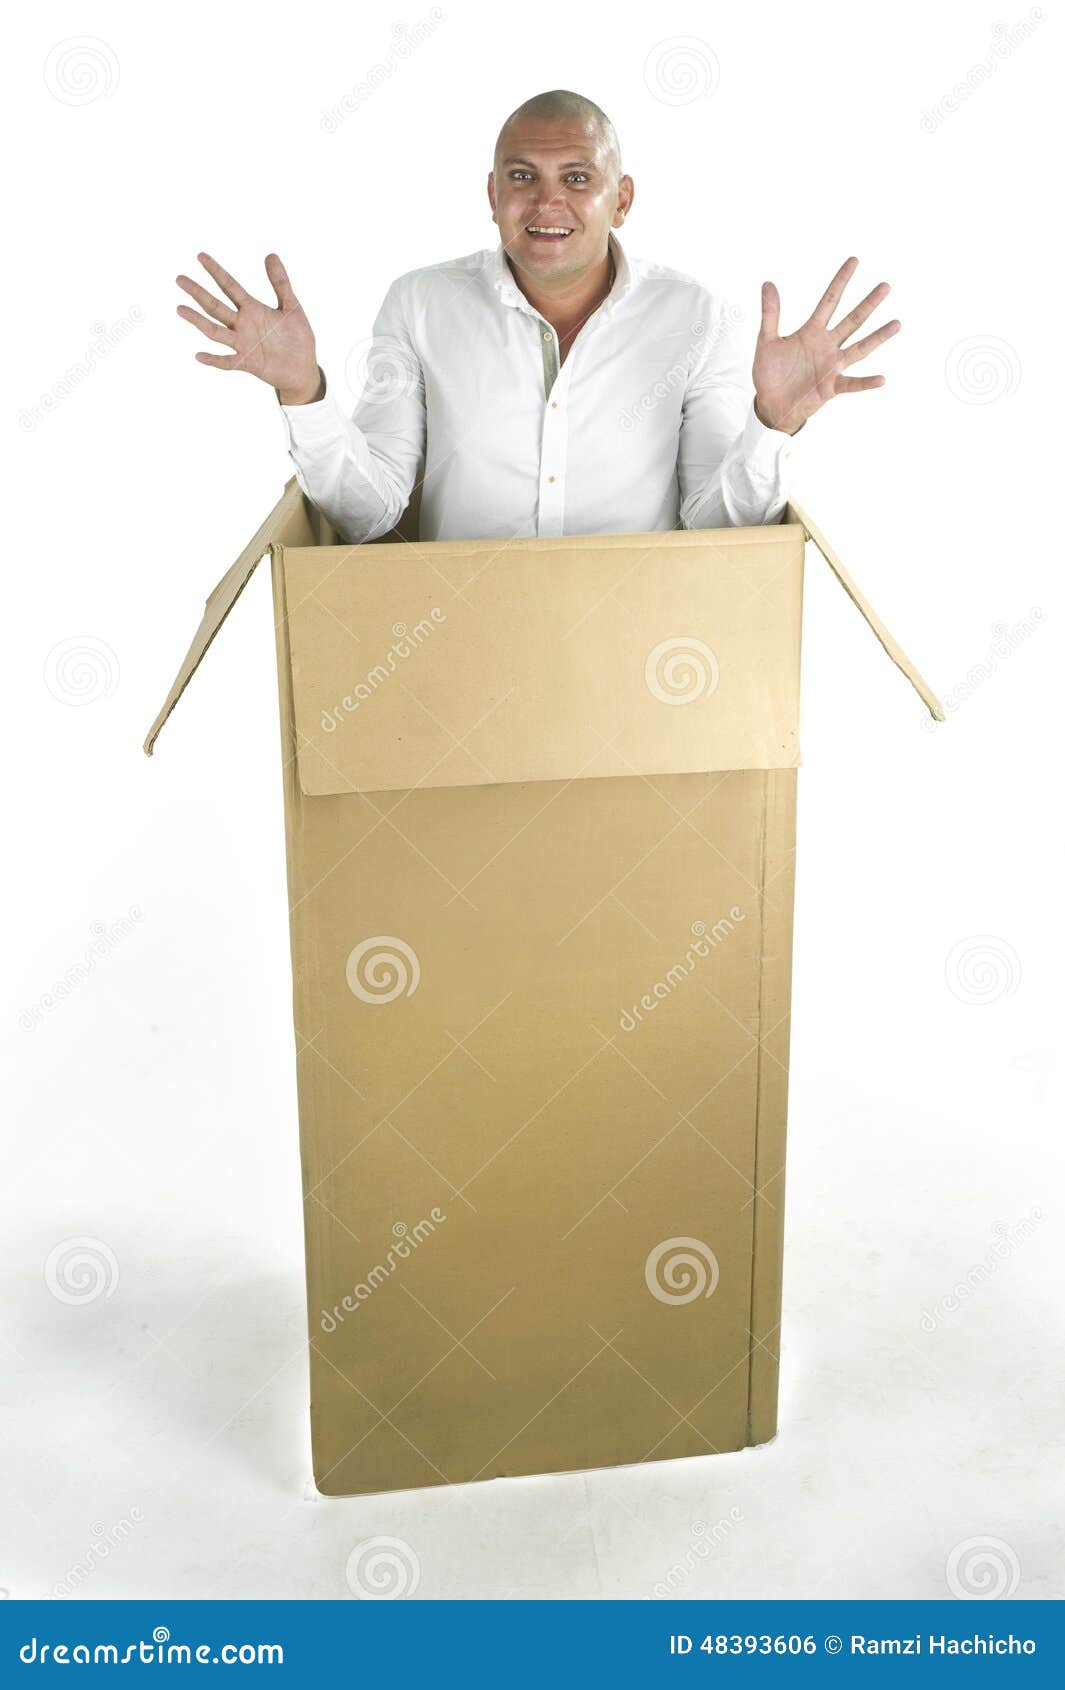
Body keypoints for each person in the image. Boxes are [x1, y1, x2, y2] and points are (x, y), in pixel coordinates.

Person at [176, 89, 899, 544]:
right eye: (522, 177)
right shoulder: (420, 304)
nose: (546, 202)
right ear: (492, 194)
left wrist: (772, 425)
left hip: (638, 641)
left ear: (622, 200)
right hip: (454, 635)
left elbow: (715, 531)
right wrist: (303, 392)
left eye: (577, 179)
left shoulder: (694, 316)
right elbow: (368, 518)